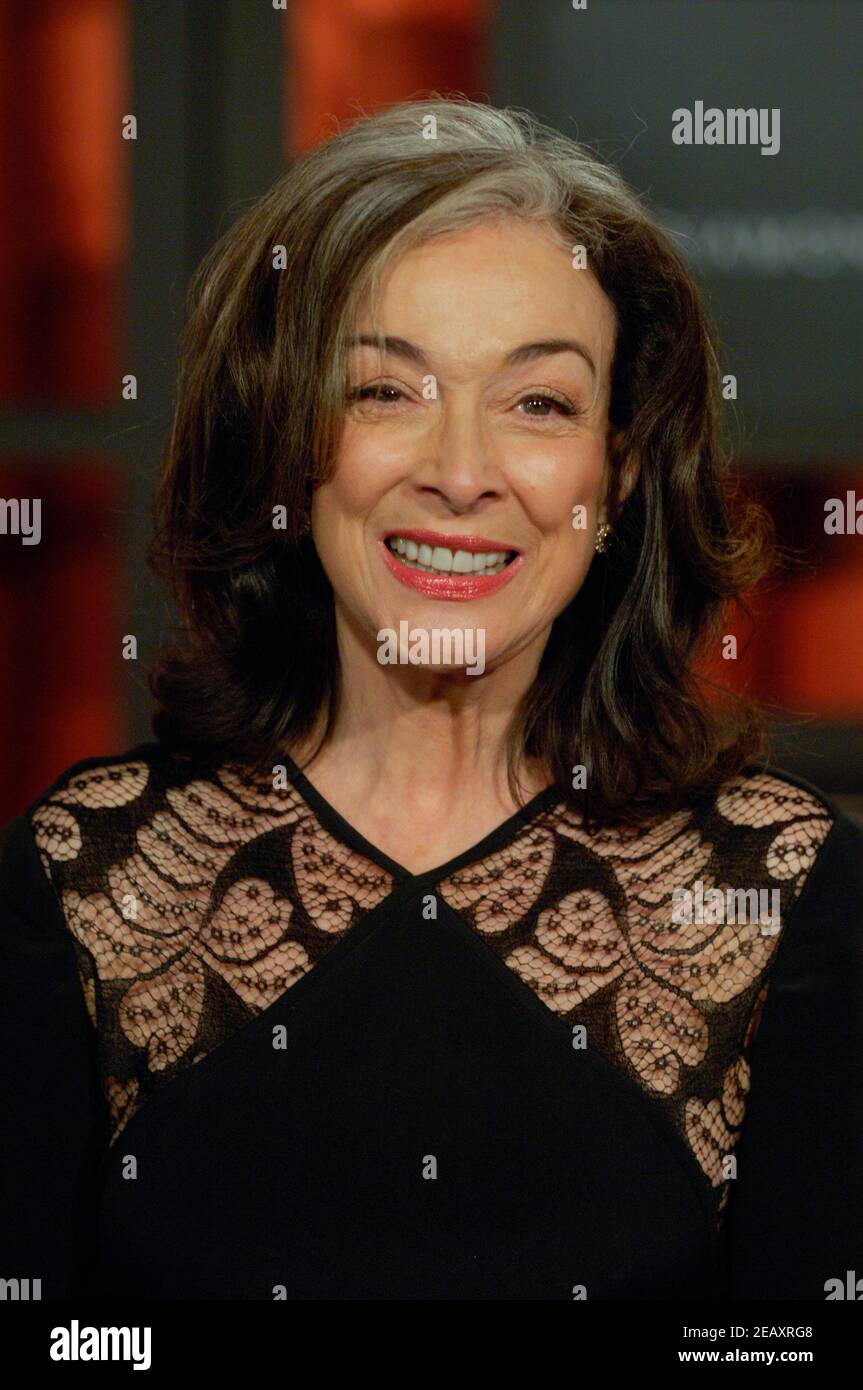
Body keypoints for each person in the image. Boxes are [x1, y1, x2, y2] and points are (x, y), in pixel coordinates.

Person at [2, 98, 861, 1301]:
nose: (459, 472)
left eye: (538, 403)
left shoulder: (782, 896)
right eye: (384, 393)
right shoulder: (85, 879)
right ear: (285, 441)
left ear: (613, 476)